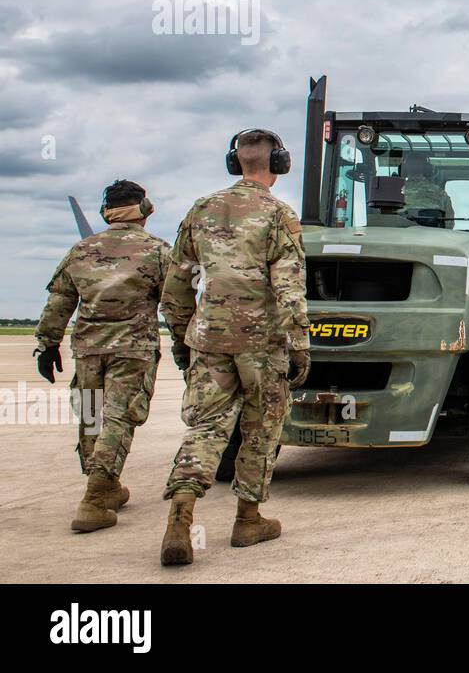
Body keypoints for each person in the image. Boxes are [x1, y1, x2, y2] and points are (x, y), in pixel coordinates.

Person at [158, 129, 311, 567]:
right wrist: (299, 342)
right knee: (261, 428)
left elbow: (177, 285)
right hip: (263, 343)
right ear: (279, 164)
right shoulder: (279, 215)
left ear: (235, 163)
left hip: (210, 339)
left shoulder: (200, 210)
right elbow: (288, 286)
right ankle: (247, 520)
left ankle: (179, 523)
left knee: (206, 428)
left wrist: (183, 337)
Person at [33, 180, 170, 533]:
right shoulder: (156, 251)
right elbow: (176, 303)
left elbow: (60, 302)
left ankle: (107, 486)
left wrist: (47, 345)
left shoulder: (81, 250)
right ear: (144, 209)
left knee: (92, 417)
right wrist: (188, 343)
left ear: (106, 212)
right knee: (119, 420)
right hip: (133, 350)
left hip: (88, 351)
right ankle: (93, 500)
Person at [401, 156, 455, 228]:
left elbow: (448, 222)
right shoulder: (439, 192)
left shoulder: (439, 193)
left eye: (418, 163)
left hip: (429, 235)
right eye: (412, 163)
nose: (415, 165)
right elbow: (449, 224)